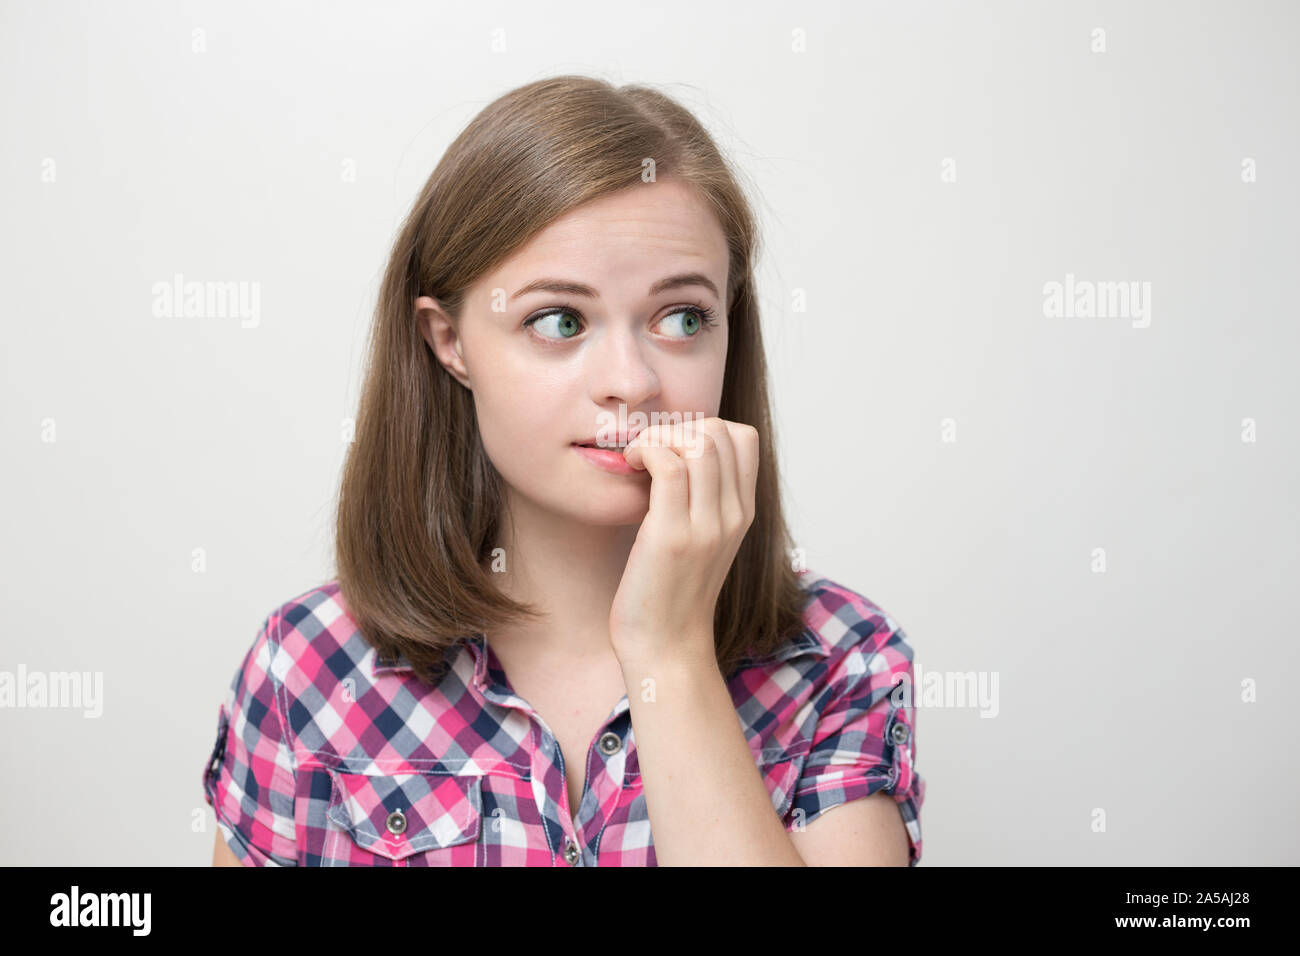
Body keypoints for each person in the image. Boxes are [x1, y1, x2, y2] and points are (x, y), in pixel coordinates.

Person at [202, 74, 925, 866]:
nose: (633, 380)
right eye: (559, 321)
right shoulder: (308, 671)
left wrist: (670, 651)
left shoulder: (838, 660)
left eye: (683, 319)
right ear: (450, 342)